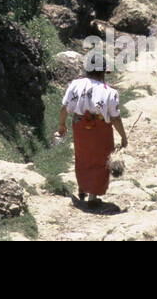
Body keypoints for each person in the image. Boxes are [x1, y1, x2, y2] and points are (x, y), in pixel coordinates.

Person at [55, 54, 128, 206]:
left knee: (83, 158)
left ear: (87, 70)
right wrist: (123, 136)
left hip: (80, 126)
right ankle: (93, 197)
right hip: (101, 130)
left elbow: (64, 107)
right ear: (103, 72)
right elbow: (115, 118)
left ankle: (82, 188)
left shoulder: (75, 84)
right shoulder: (110, 92)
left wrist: (62, 125)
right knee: (100, 160)